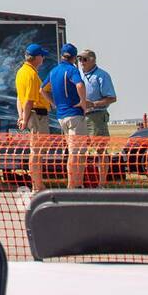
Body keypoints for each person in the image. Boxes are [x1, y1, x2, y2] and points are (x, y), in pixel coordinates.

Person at [44, 43, 91, 188]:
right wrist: (83, 102)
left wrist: (54, 103)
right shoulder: (72, 70)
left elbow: (43, 90)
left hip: (61, 116)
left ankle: (76, 184)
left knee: (73, 151)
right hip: (74, 115)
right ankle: (74, 185)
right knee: (77, 152)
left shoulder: (53, 71)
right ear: (74, 58)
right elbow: (80, 85)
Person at [16, 42, 53, 191]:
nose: (43, 58)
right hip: (37, 115)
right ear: (36, 57)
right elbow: (29, 100)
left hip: (30, 114)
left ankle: (36, 183)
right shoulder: (31, 74)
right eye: (42, 55)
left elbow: (19, 98)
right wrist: (25, 119)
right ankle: (37, 185)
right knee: (37, 151)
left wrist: (21, 116)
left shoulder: (21, 72)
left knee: (35, 150)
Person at [78, 48, 117, 186]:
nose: (81, 62)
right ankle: (80, 183)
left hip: (96, 117)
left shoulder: (102, 76)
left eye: (84, 59)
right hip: (80, 117)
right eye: (79, 59)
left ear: (93, 60)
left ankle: (102, 183)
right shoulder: (79, 76)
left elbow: (112, 98)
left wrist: (93, 104)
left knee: (100, 150)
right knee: (80, 150)